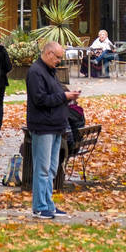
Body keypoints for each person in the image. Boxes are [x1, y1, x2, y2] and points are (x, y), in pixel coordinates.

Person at [26, 40, 80, 219]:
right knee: (42, 168)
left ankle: (48, 204)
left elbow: (53, 95)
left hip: (56, 126)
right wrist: (63, 96)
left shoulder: (49, 71)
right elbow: (40, 99)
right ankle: (40, 206)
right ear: (48, 54)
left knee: (51, 169)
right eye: (57, 57)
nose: (59, 61)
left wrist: (67, 97)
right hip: (43, 126)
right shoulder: (35, 72)